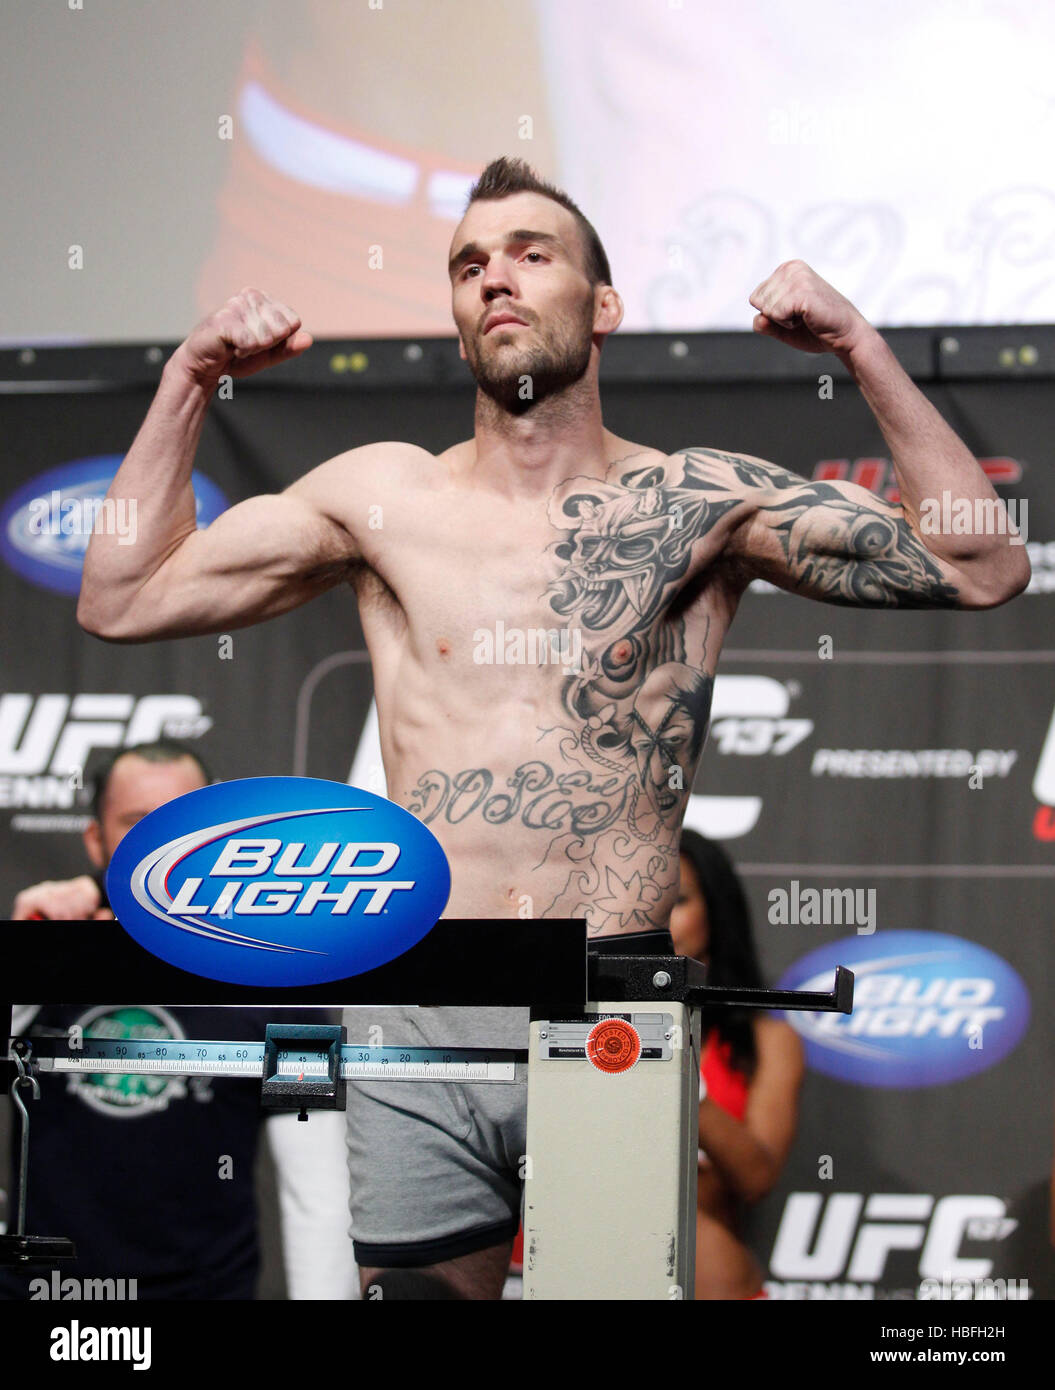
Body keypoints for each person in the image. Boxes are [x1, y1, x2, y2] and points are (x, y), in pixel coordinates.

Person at [76, 156, 1029, 1299]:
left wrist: (858, 348)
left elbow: (979, 563)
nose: (497, 279)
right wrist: (193, 373)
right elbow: (121, 593)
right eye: (469, 264)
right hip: (413, 994)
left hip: (607, 989)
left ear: (605, 305)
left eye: (532, 254)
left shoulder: (695, 502)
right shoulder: (384, 501)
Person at [4, 741, 358, 1301]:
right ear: (95, 840)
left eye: (182, 822)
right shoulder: (49, 946)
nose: (162, 846)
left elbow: (319, 1185)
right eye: (137, 824)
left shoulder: (283, 982)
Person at [669, 829, 803, 1300]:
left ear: (716, 913)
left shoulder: (769, 1040)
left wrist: (674, 1074)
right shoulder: (576, 1026)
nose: (658, 919)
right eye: (646, 900)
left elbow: (756, 1178)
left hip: (712, 1282)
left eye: (678, 900)